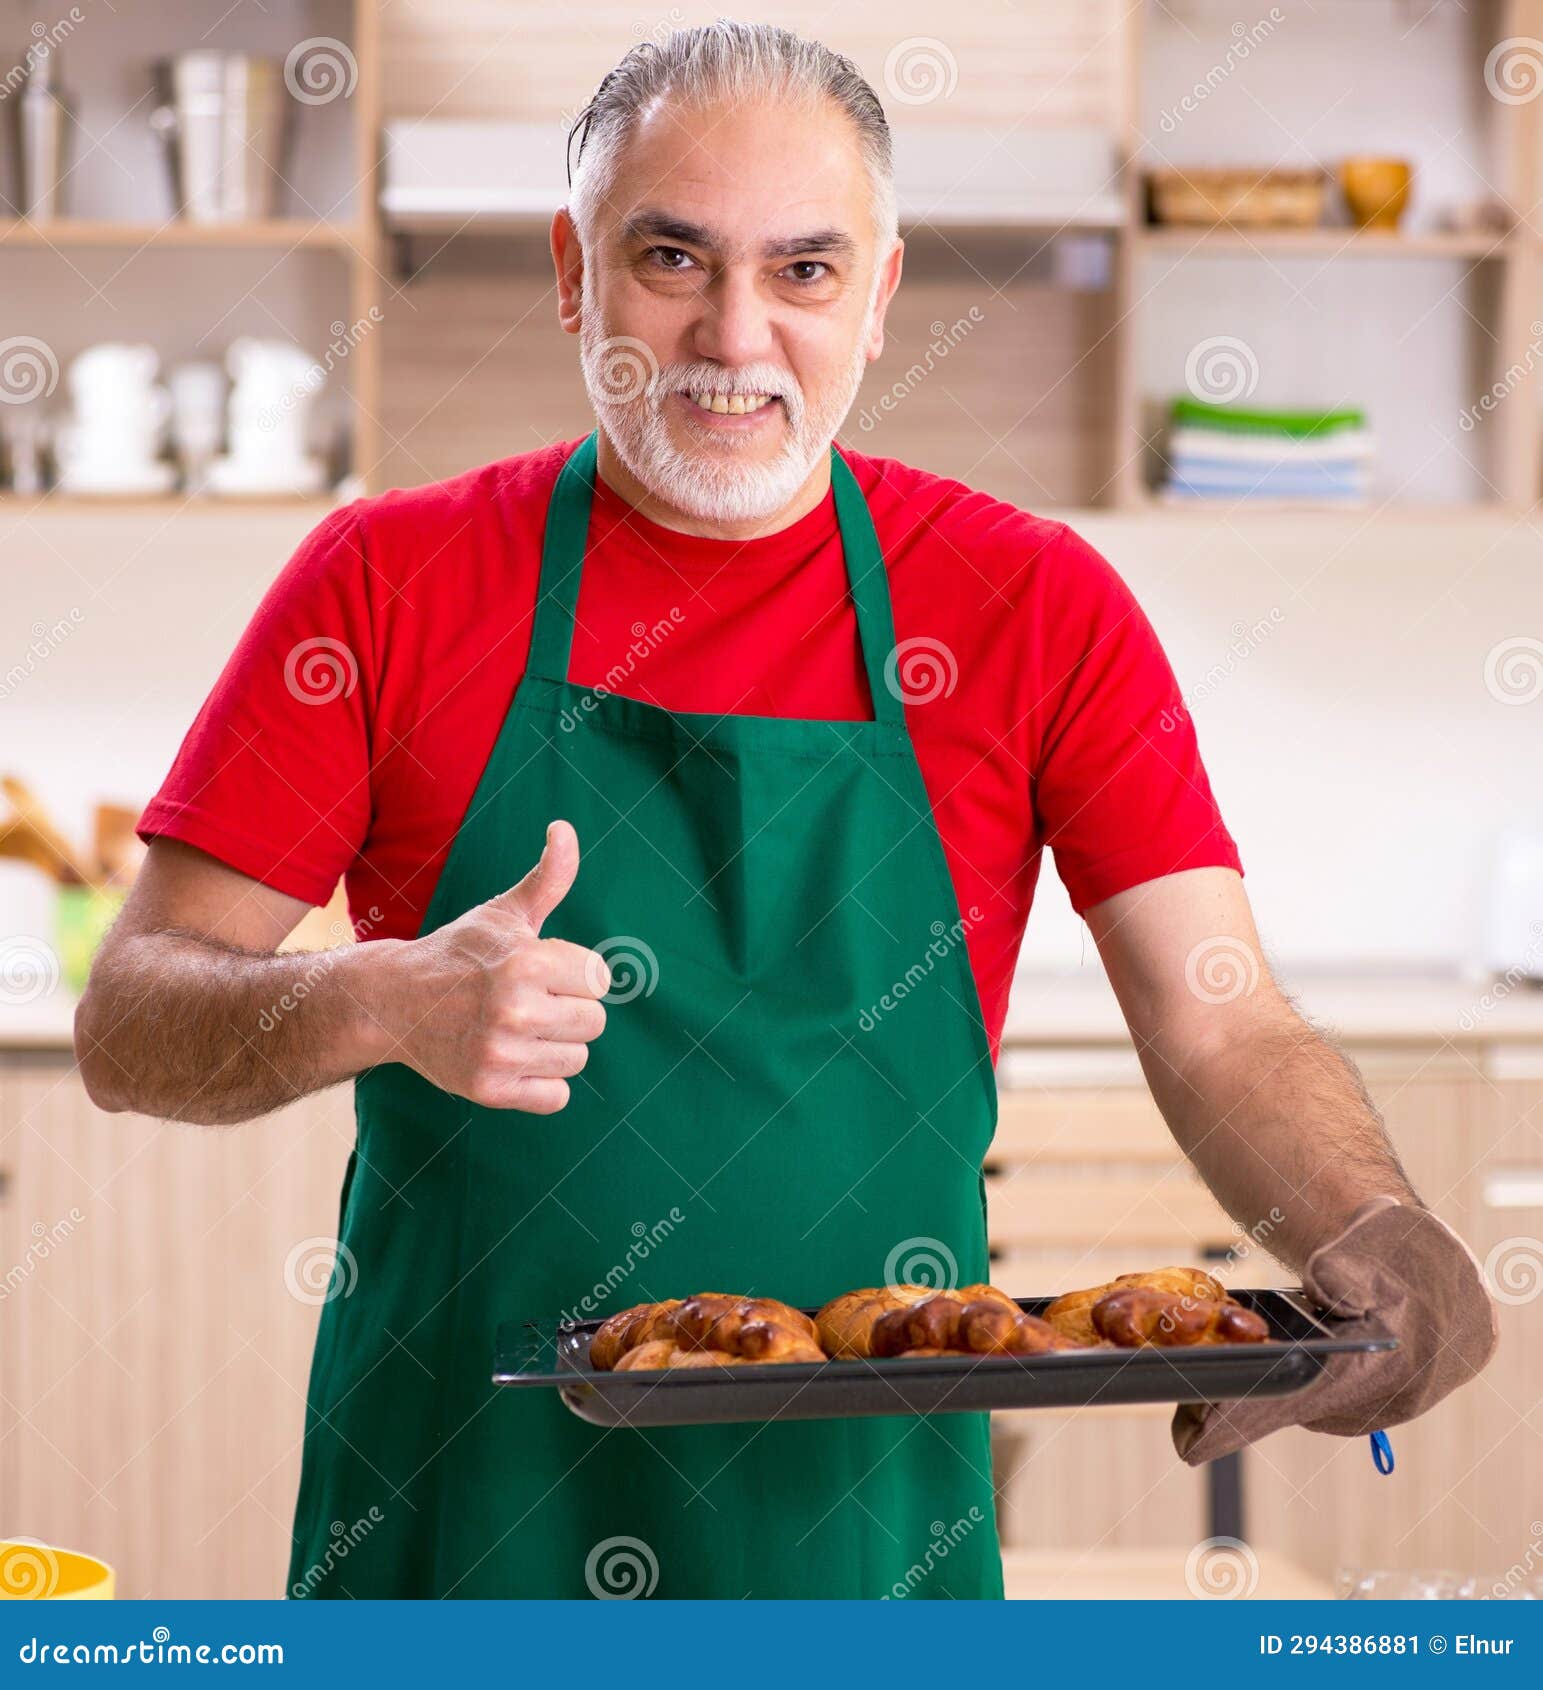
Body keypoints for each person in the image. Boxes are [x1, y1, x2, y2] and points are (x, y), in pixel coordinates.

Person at [76, 21, 1495, 1599]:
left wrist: (1373, 1222)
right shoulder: (386, 584)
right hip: (458, 1529)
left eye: (805, 269)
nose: (734, 334)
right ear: (575, 271)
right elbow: (132, 1018)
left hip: (868, 1550)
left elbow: (1220, 1024)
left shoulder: (1034, 608)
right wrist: (370, 996)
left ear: (879, 298)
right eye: (671, 257)